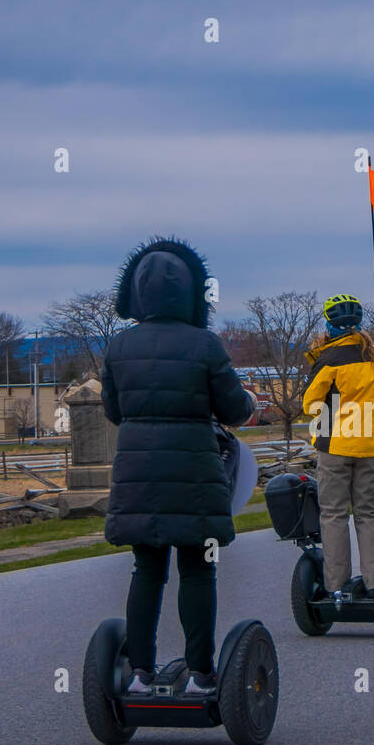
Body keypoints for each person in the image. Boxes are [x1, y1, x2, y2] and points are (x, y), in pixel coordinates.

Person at [100, 237, 254, 697]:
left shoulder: (119, 347)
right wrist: (246, 400)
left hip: (138, 477)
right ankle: (201, 673)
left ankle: (142, 673)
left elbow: (113, 412)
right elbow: (233, 411)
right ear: (191, 293)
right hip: (194, 477)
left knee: (146, 571)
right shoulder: (205, 344)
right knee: (198, 570)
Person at [302, 294, 374, 602]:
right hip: (370, 445)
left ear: (329, 324)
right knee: (367, 513)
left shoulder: (328, 361)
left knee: (333, 515)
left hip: (336, 445)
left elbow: (310, 405)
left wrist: (334, 407)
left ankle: (336, 586)